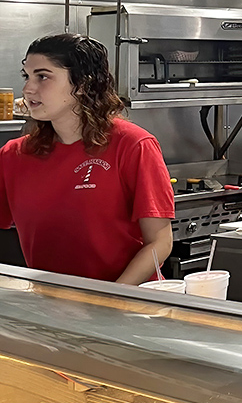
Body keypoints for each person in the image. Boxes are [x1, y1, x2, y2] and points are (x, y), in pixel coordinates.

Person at [0, 34, 175, 283]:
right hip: (52, 306)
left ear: (82, 83)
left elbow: (160, 242)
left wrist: (110, 299)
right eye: (26, 76)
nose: (28, 88)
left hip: (126, 305)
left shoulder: (133, 145)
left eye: (43, 76)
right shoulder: (14, 155)